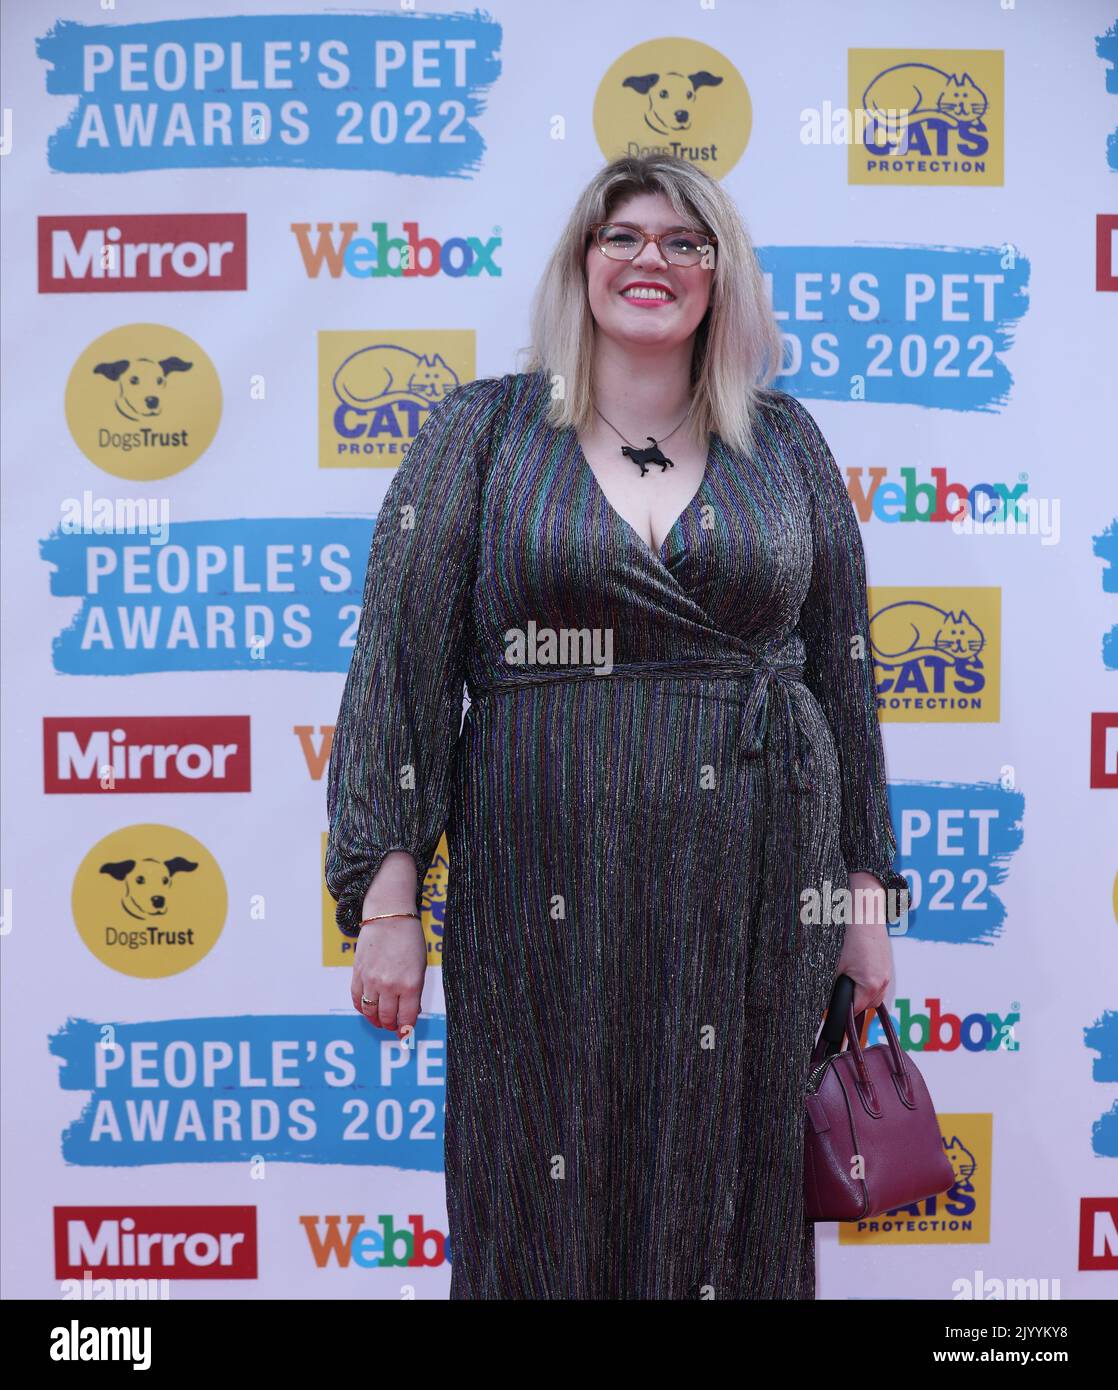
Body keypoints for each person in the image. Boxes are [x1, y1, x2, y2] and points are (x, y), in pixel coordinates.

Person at [325, 153, 909, 1300]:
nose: (652, 261)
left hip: (749, 881)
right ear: (579, 266)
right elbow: (399, 668)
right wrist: (389, 900)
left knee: (726, 1185)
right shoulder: (481, 434)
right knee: (535, 1181)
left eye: (684, 243)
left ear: (721, 278)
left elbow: (845, 678)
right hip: (538, 886)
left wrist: (859, 902)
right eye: (623, 237)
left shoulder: (784, 443)